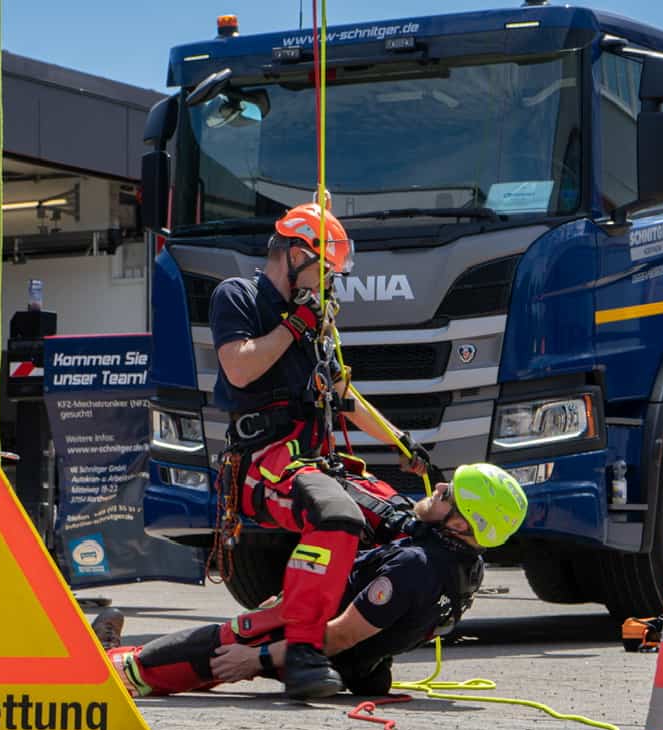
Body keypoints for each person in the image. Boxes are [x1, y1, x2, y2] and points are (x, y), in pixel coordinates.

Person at [210, 201, 433, 699]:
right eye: (324, 271)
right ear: (295, 255)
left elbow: (343, 397)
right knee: (336, 516)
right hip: (264, 463)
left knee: (407, 525)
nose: (329, 284)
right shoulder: (239, 296)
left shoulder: (315, 321)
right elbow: (239, 369)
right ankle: (303, 652)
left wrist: (400, 440)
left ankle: (358, 647)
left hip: (316, 463)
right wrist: (295, 325)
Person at [102, 466, 528, 698]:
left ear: (460, 523)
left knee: (209, 651)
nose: (439, 486)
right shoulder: (466, 564)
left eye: (449, 494)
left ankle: (108, 668)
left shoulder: (415, 566)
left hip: (305, 643)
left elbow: (340, 636)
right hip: (356, 662)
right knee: (221, 660)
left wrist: (258, 658)